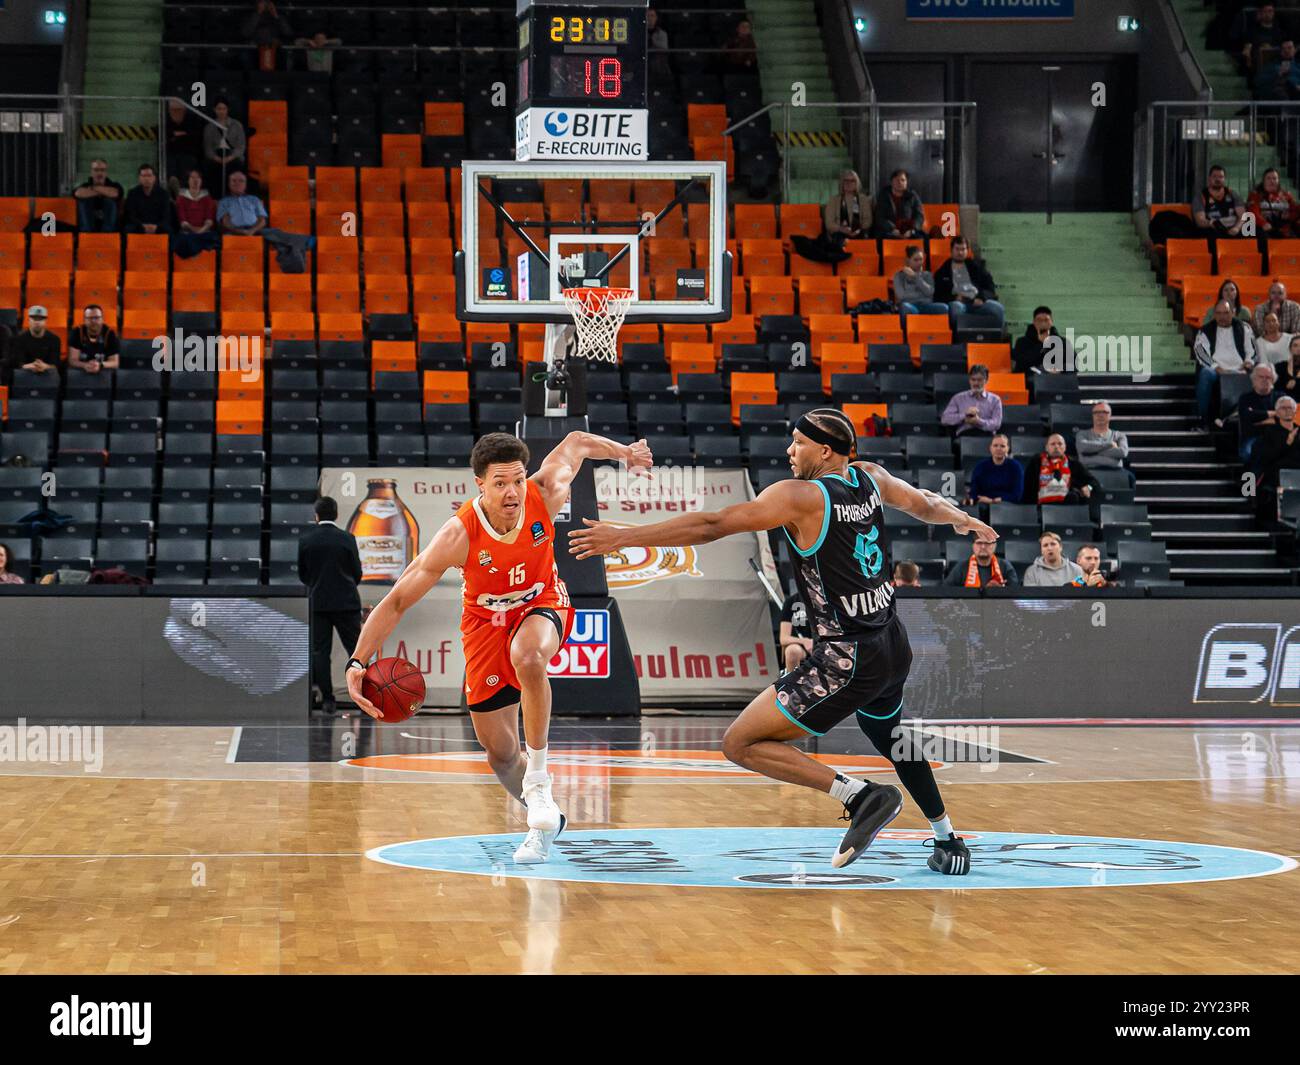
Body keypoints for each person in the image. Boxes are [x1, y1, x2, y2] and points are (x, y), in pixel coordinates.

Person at [570, 408, 998, 875]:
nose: (789, 451)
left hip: (847, 656)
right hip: (893, 642)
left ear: (825, 450)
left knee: (740, 743)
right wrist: (965, 521)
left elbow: (714, 525)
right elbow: (923, 503)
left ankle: (861, 796)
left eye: (797, 442)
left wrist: (625, 537)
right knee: (892, 736)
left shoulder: (801, 496)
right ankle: (948, 839)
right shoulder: (870, 477)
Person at [347, 431, 652, 865]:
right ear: (480, 485)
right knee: (502, 754)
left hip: (543, 601)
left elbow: (578, 442)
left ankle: (541, 780)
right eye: (499, 483)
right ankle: (545, 819)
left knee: (528, 657)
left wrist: (625, 453)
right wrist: (359, 660)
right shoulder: (459, 533)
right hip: (484, 623)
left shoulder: (543, 494)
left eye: (516, 480)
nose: (511, 492)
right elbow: (396, 599)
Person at [297, 497, 364, 714]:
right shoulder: (347, 539)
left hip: (319, 604)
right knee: (357, 652)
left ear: (316, 515)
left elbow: (303, 575)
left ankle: (328, 700)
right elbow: (357, 573)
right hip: (346, 603)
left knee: (320, 653)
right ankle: (366, 699)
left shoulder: (306, 540)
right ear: (336, 514)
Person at [217, 171, 314, 270]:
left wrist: (252, 231)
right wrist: (241, 231)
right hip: (234, 231)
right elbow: (226, 222)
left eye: (241, 181)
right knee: (277, 241)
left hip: (256, 230)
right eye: (234, 181)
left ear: (245, 184)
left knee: (273, 233)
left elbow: (262, 220)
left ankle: (303, 243)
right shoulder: (224, 202)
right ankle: (301, 244)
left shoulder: (254, 199)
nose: (237, 183)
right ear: (229, 184)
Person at [1195, 299, 1257, 425]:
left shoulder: (1244, 327)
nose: (1222, 317)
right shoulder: (1205, 330)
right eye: (1219, 313)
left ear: (1233, 313)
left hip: (1241, 370)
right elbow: (1201, 352)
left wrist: (1248, 363)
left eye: (1226, 313)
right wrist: (1217, 368)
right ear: (1214, 314)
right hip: (1217, 371)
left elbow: (1252, 350)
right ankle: (1203, 419)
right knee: (1206, 373)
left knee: (1262, 371)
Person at [933, 235, 1004, 329]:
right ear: (951, 250)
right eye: (957, 249)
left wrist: (981, 298)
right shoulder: (942, 271)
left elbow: (990, 287)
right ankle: (958, 341)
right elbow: (938, 296)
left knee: (998, 308)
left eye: (963, 249)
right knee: (955, 308)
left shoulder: (977, 267)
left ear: (967, 251)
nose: (960, 252)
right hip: (959, 302)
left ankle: (995, 341)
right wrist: (954, 297)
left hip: (977, 301)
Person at [1256, 395, 1300, 519]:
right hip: (1279, 472)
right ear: (1277, 412)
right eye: (1283, 408)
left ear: (1295, 410)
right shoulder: (1269, 432)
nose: (1287, 411)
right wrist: (1287, 443)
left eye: (1290, 408)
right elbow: (1267, 458)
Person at [1074, 401, 1135, 489]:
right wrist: (1109, 445)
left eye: (1105, 412)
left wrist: (1092, 452)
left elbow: (1122, 452)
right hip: (1089, 473)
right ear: (1093, 415)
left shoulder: (1119, 435)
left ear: (1110, 415)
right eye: (1097, 412)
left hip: (1115, 472)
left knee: (1130, 477)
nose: (1100, 415)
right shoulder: (1082, 434)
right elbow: (1083, 448)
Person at [1029, 433, 1098, 505]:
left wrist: (1088, 487)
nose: (1056, 447)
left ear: (1065, 447)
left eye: (1060, 444)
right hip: (1042, 507)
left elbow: (1094, 483)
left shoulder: (1074, 464)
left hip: (1067, 506)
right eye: (1053, 444)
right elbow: (1028, 491)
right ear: (1046, 447)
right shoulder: (1036, 463)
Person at [1237, 362, 1282, 465]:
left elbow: (1290, 416)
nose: (1264, 380)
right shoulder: (1245, 398)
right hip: (1253, 438)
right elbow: (1247, 418)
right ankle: (1251, 481)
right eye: (1261, 377)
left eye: (1268, 377)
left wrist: (1258, 420)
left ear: (1273, 380)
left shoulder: (1280, 397)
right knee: (1247, 454)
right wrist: (1274, 414)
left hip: (1277, 438)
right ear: (1254, 379)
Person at [940, 364, 1002, 437]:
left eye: (979, 380)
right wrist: (964, 416)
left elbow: (996, 424)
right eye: (973, 379)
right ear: (969, 380)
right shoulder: (958, 398)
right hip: (964, 435)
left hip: (987, 436)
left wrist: (979, 421)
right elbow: (945, 419)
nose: (976, 383)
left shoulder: (995, 399)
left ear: (986, 380)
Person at [2, 306, 60, 385]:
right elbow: (17, 361)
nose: (37, 322)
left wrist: (45, 366)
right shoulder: (19, 339)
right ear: (29, 320)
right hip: (24, 373)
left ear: (46, 321)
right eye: (34, 319)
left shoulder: (54, 339)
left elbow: (55, 363)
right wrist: (30, 366)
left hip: (46, 373)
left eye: (40, 319)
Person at [203, 98, 247, 195]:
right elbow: (208, 148)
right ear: (214, 110)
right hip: (216, 156)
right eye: (219, 109)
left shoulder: (237, 125)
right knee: (212, 169)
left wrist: (229, 158)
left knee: (234, 167)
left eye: (224, 109)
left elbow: (241, 146)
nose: (221, 111)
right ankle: (215, 196)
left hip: (232, 156)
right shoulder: (209, 127)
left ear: (227, 109)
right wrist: (217, 159)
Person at [966, 432, 1024, 505]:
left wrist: (994, 501)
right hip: (984, 503)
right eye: (995, 445)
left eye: (1002, 446)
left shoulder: (1016, 467)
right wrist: (977, 498)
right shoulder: (980, 466)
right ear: (990, 448)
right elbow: (974, 492)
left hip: (1007, 504)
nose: (998, 449)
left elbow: (1017, 495)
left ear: (1008, 449)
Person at [174, 168, 220, 258]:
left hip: (205, 232)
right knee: (183, 241)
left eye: (198, 178)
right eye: (192, 178)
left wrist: (200, 231)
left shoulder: (207, 198)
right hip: (187, 233)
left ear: (201, 181)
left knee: (215, 240)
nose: (195, 180)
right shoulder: (181, 198)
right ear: (188, 180)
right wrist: (196, 231)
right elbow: (183, 223)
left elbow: (209, 221)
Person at [1012, 305, 1073, 374]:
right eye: (1039, 320)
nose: (1043, 323)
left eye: (1046, 320)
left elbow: (1073, 365)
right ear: (1034, 322)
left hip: (1057, 380)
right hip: (1031, 381)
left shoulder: (1062, 342)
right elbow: (1020, 365)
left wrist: (1060, 370)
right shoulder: (1022, 342)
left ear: (1051, 322)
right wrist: (1042, 345)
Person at [893, 244, 947, 318]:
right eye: (915, 260)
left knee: (944, 308)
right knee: (904, 307)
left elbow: (930, 292)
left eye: (921, 259)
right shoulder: (899, 276)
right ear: (908, 260)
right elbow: (901, 296)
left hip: (926, 306)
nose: (919, 263)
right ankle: (915, 326)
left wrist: (915, 277)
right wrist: (921, 294)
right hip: (910, 306)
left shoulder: (927, 275)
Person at [164, 97, 203, 195]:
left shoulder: (191, 120)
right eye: (173, 110)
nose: (176, 112)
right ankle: (172, 185)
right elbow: (165, 135)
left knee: (187, 162)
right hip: (171, 152)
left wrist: (175, 135)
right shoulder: (166, 121)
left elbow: (193, 137)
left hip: (187, 152)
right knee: (169, 161)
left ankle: (182, 190)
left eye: (178, 110)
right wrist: (181, 135)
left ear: (184, 109)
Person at [1191, 165, 1245, 237]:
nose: (1218, 179)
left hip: (1234, 228)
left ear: (1224, 179)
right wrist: (1211, 224)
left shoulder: (1232, 194)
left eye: (1221, 177)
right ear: (1209, 178)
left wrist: (1236, 228)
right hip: (1213, 229)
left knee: (1252, 232)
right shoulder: (1200, 196)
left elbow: (1242, 216)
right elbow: (1200, 221)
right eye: (1214, 176)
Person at [121, 164, 176, 235]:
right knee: (128, 229)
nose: (146, 179)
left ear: (154, 178)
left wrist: (156, 226)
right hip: (139, 225)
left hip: (157, 225)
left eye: (149, 176)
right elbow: (130, 216)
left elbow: (166, 216)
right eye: (143, 176)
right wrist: (142, 226)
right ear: (139, 178)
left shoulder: (163, 194)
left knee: (168, 230)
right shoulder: (132, 193)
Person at [1246, 168, 1300, 238]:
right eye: (1268, 178)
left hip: (1284, 227)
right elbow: (1253, 212)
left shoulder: (1286, 195)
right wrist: (1263, 223)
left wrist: (1290, 216)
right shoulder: (1255, 195)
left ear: (1278, 181)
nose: (1272, 181)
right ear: (1263, 181)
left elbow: (1295, 209)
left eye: (1274, 178)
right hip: (1263, 227)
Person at [871, 169, 925, 239]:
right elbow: (879, 217)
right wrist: (892, 229)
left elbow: (919, 216)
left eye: (903, 180)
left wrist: (912, 229)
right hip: (888, 231)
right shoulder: (883, 195)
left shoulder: (913, 196)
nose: (900, 183)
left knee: (923, 240)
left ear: (906, 182)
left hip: (909, 231)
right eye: (897, 180)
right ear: (892, 182)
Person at [72, 159, 123, 233]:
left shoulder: (114, 185)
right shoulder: (85, 186)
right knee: (84, 202)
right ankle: (87, 234)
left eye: (102, 170)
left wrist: (93, 188)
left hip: (110, 228)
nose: (99, 173)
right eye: (96, 170)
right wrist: (104, 192)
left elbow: (115, 193)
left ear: (106, 172)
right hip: (87, 226)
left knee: (109, 202)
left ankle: (107, 234)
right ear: (91, 172)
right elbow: (77, 193)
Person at [823, 169, 871, 246]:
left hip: (859, 232)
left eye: (852, 181)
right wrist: (841, 229)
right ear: (842, 183)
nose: (849, 183)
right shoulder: (833, 200)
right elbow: (829, 223)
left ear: (857, 183)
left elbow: (868, 220)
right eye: (846, 180)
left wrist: (858, 229)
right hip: (839, 233)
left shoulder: (863, 199)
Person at [68, 305, 120, 375]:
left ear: (102, 319)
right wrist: (85, 365)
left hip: (103, 371)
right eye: (89, 318)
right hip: (81, 371)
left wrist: (100, 365)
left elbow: (115, 362)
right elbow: (72, 360)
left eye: (97, 318)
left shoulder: (110, 333)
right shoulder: (77, 332)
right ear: (84, 320)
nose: (93, 321)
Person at [945, 537, 1016, 588]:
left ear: (994, 546)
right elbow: (946, 590)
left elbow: (1015, 594)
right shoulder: (962, 566)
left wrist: (1000, 591)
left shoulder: (1005, 566)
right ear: (973, 546)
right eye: (979, 543)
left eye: (987, 543)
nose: (983, 546)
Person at [778, 591, 813, 673]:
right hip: (804, 648)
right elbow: (783, 638)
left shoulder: (825, 597)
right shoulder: (792, 601)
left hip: (825, 642)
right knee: (792, 651)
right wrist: (804, 641)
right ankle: (793, 682)